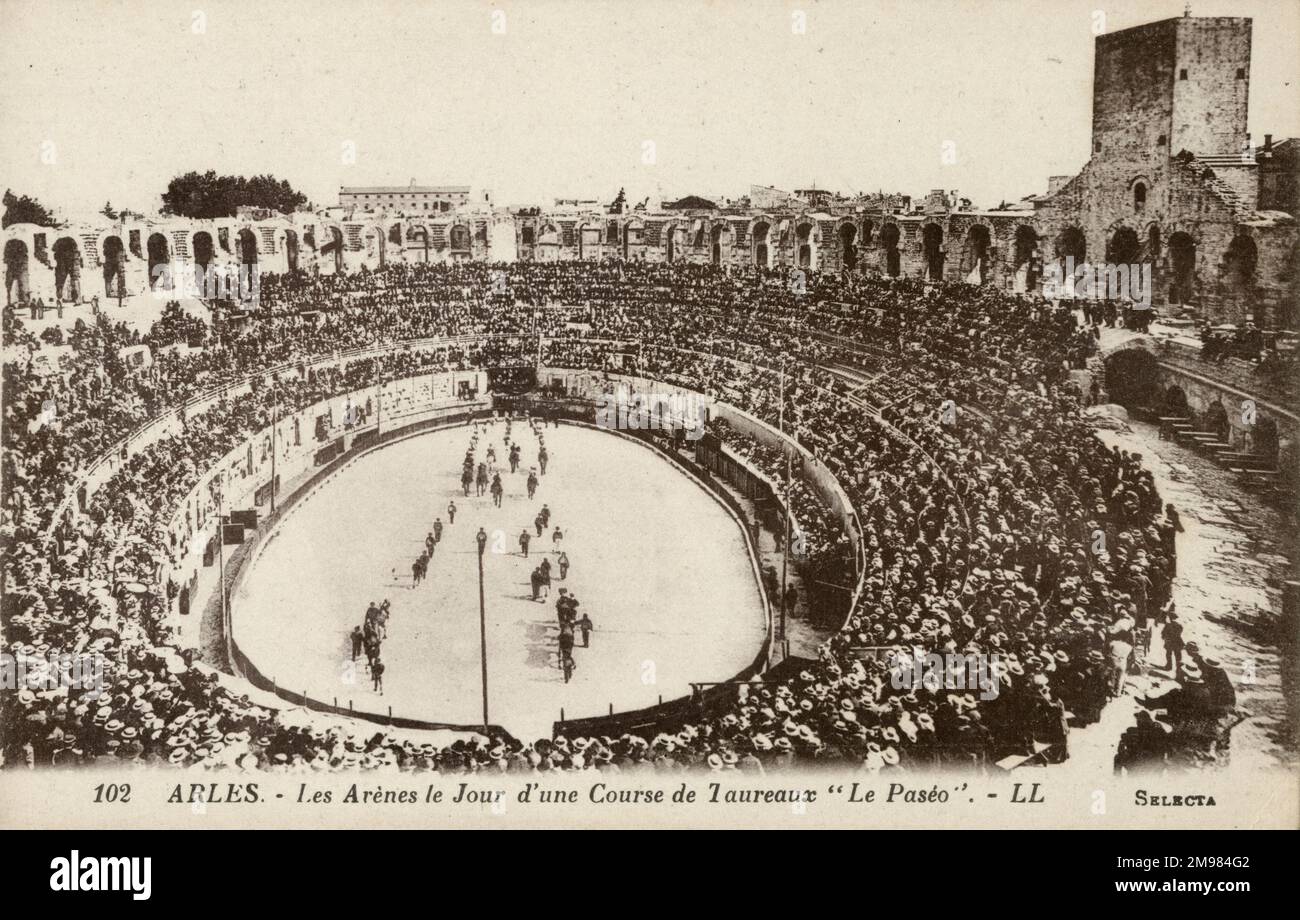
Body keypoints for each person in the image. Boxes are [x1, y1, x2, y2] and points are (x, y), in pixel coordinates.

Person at [1162, 611, 1184, 677]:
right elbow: (1179, 632)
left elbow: (1163, 634)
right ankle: (1179, 670)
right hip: (1178, 642)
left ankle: (1169, 666)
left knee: (1169, 654)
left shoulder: (1168, 625)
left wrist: (1165, 637)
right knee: (1178, 657)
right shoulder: (1179, 626)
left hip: (1170, 643)